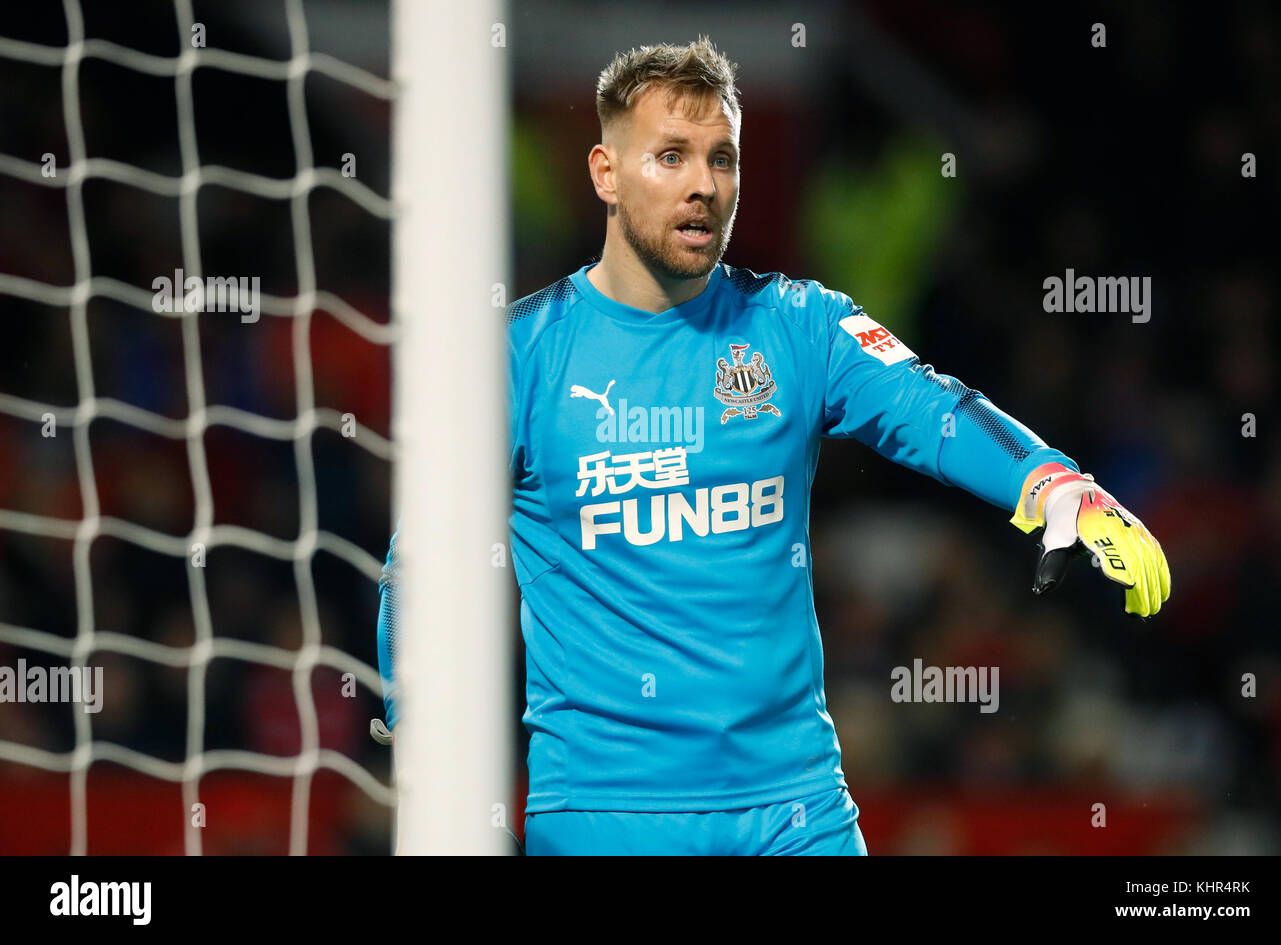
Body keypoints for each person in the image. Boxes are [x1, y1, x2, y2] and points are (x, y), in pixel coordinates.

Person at [378, 36, 1170, 856]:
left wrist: (1051, 483)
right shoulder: (517, 358)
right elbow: (422, 561)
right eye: (672, 156)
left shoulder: (798, 324)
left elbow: (929, 406)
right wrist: (420, 741)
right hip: (606, 817)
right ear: (605, 173)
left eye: (723, 159)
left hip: (796, 809)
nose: (702, 185)